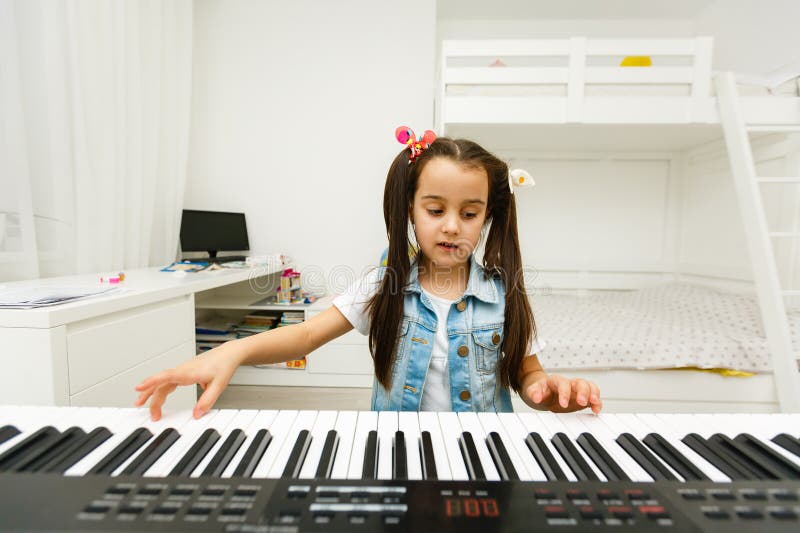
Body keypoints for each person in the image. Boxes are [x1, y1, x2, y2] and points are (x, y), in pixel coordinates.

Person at [134, 126, 602, 420]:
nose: (452, 226)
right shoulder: (384, 286)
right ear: (411, 210)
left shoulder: (506, 293)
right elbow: (305, 336)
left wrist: (548, 390)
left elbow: (528, 377)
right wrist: (231, 353)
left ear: (487, 217)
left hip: (482, 460)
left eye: (470, 213)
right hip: (398, 455)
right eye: (436, 209)